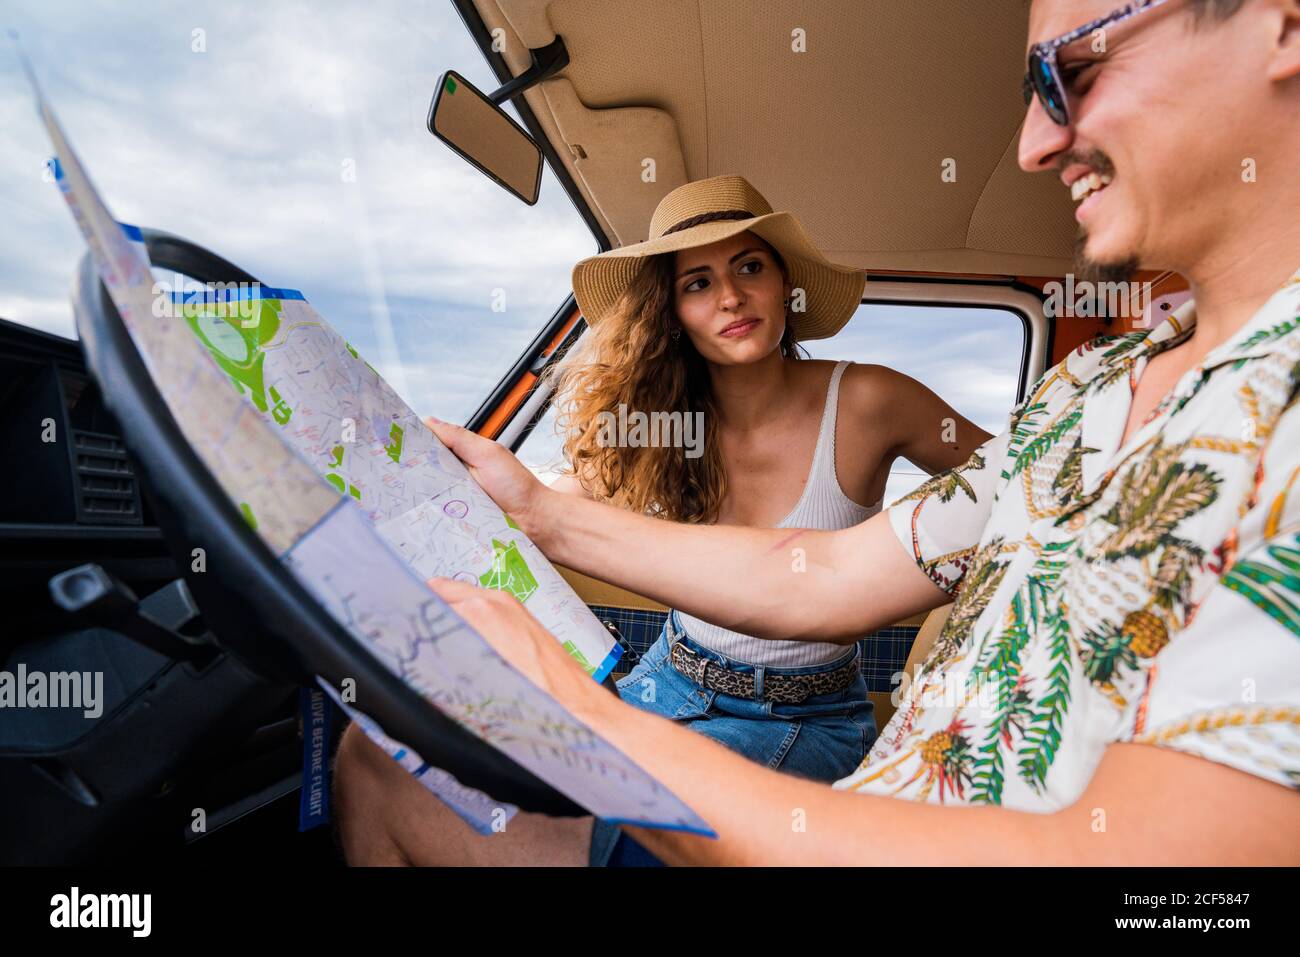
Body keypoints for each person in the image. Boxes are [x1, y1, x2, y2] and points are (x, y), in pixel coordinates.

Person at [336, 0, 1300, 865]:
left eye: (1072, 72)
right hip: (716, 697)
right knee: (377, 747)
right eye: (696, 281)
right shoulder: (1083, 392)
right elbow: (823, 572)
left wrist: (586, 714)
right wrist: (538, 511)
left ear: (1281, 22)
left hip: (811, 737)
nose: (1031, 147)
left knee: (392, 767)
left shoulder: (880, 397)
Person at [542, 175, 987, 864]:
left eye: (749, 266)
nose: (729, 297)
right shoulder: (665, 420)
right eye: (698, 282)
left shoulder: (871, 399)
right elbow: (568, 492)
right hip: (670, 676)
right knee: (515, 780)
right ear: (672, 312)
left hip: (807, 716)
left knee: (634, 838)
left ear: (785, 285)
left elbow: (1021, 481)